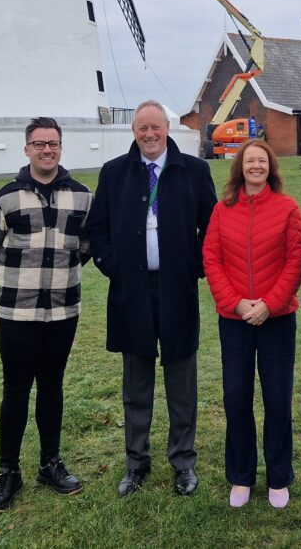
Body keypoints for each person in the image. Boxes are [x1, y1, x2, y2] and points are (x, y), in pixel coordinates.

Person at [85, 99, 217, 497]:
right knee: (136, 385)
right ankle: (135, 462)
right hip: (132, 293)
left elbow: (211, 228)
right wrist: (114, 265)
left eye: (155, 127)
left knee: (182, 384)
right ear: (134, 132)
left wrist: (192, 268)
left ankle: (183, 462)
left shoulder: (194, 170)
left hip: (177, 291)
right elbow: (98, 229)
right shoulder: (114, 173)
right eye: (142, 128)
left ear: (167, 129)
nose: (149, 134)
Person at [0, 117, 93, 512]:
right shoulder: (3, 196)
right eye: (39, 144)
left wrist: (58, 273)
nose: (47, 150)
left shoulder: (81, 196)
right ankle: (8, 471)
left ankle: (50, 463)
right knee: (16, 390)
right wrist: (17, 277)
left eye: (53, 143)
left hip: (63, 309)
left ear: (61, 147)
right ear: (27, 149)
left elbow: (87, 246)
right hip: (17, 312)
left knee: (52, 387)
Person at [202, 139, 301, 509]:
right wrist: (234, 302)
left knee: (278, 399)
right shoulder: (222, 209)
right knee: (236, 398)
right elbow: (211, 259)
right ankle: (241, 476)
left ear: (270, 167)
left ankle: (279, 477)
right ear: (240, 167)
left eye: (262, 161)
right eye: (250, 161)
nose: (256, 166)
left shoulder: (287, 208)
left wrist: (270, 303)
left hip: (277, 319)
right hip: (235, 320)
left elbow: (296, 260)